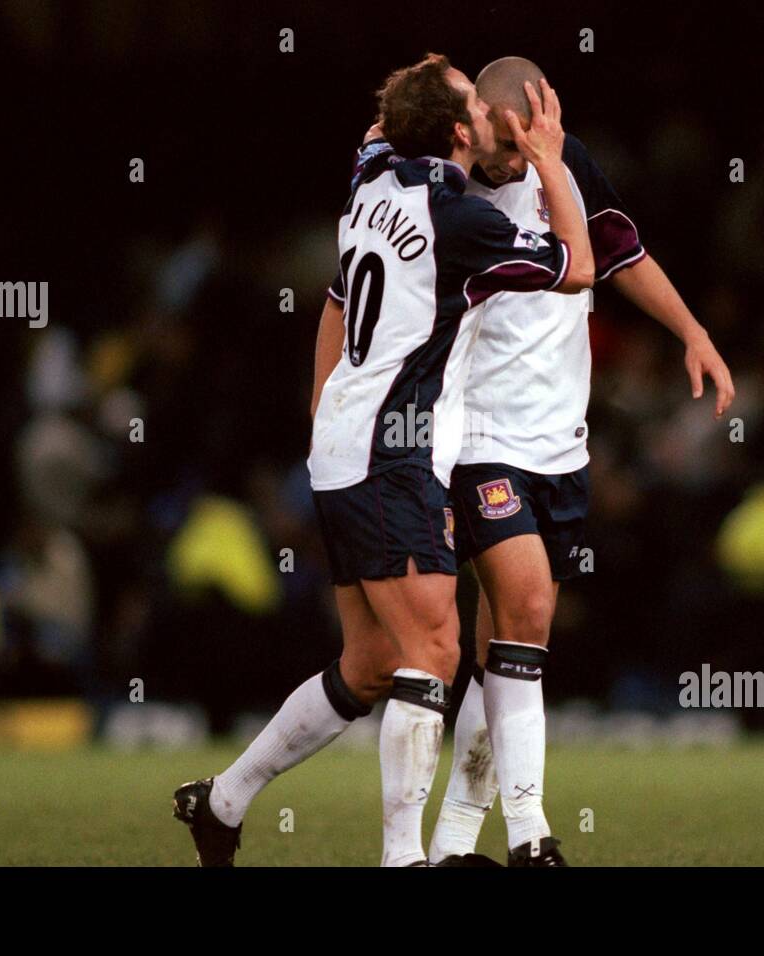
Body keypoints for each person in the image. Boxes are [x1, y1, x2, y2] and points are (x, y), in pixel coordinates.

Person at [174, 52, 595, 867]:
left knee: (369, 664)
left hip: (340, 443)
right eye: (472, 104)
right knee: (434, 655)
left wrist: (425, 79)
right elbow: (577, 267)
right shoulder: (459, 219)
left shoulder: (372, 176)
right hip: (393, 453)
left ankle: (221, 803)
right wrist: (548, 157)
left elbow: (380, 127)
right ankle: (405, 861)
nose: (484, 113)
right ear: (454, 131)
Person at [425, 56, 736, 866]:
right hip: (481, 438)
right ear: (478, 120)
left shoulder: (569, 168)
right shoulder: (451, 194)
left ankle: (456, 843)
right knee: (524, 616)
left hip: (559, 443)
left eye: (521, 137)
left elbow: (621, 256)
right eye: (496, 136)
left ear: (541, 117)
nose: (506, 153)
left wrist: (693, 334)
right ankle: (530, 835)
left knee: (509, 646)